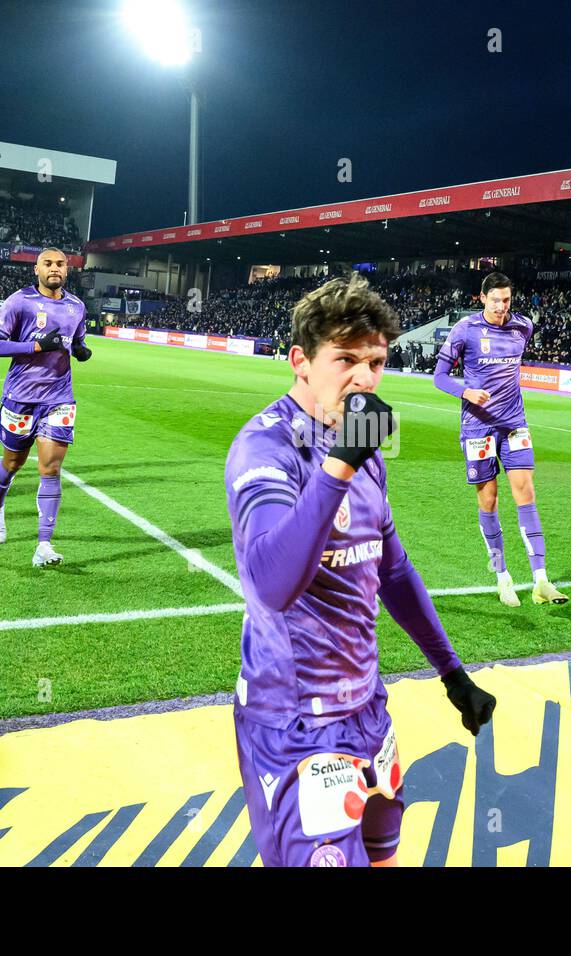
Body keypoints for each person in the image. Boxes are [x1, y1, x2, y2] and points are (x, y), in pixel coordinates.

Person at [224, 273, 495, 867]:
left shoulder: (361, 446)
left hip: (368, 711)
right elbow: (271, 584)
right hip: (293, 722)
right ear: (300, 361)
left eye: (376, 362)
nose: (364, 379)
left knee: (384, 858)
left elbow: (391, 569)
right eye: (345, 359)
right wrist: (342, 461)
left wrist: (453, 674)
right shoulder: (265, 449)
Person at [432, 272, 569, 608]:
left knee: (527, 494)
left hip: (514, 425)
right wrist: (465, 391)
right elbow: (438, 377)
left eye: (506, 300)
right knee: (489, 501)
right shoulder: (465, 329)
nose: (501, 306)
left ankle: (541, 581)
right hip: (477, 428)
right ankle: (502, 577)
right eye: (495, 299)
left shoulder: (523, 326)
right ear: (482, 298)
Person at [0, 248, 90, 567]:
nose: (54, 268)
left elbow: (78, 343)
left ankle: (44, 543)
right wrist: (35, 346)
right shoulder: (20, 301)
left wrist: (82, 351)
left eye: (60, 264)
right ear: (37, 269)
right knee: (13, 462)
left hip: (59, 398)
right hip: (20, 397)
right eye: (48, 263)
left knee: (51, 468)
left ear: (67, 271)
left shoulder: (77, 306)